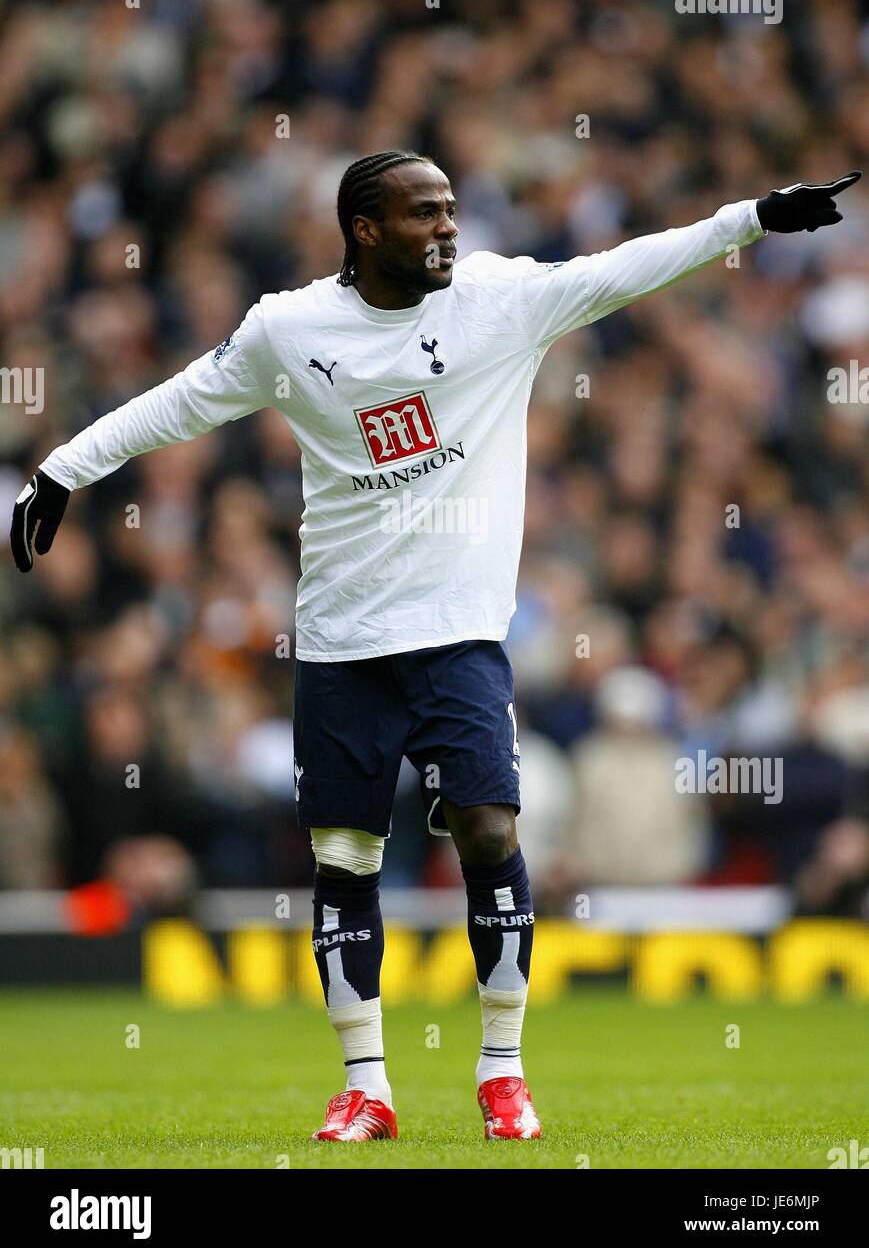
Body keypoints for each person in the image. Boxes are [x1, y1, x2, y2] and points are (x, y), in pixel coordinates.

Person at [9, 151, 861, 1142]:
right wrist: (66, 467)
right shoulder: (287, 330)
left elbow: (626, 266)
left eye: (451, 208)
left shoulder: (497, 299)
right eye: (423, 214)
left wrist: (747, 216)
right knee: (344, 862)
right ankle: (365, 1084)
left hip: (457, 638)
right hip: (339, 645)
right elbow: (183, 400)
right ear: (364, 230)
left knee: (490, 832)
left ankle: (502, 1070)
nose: (447, 228)